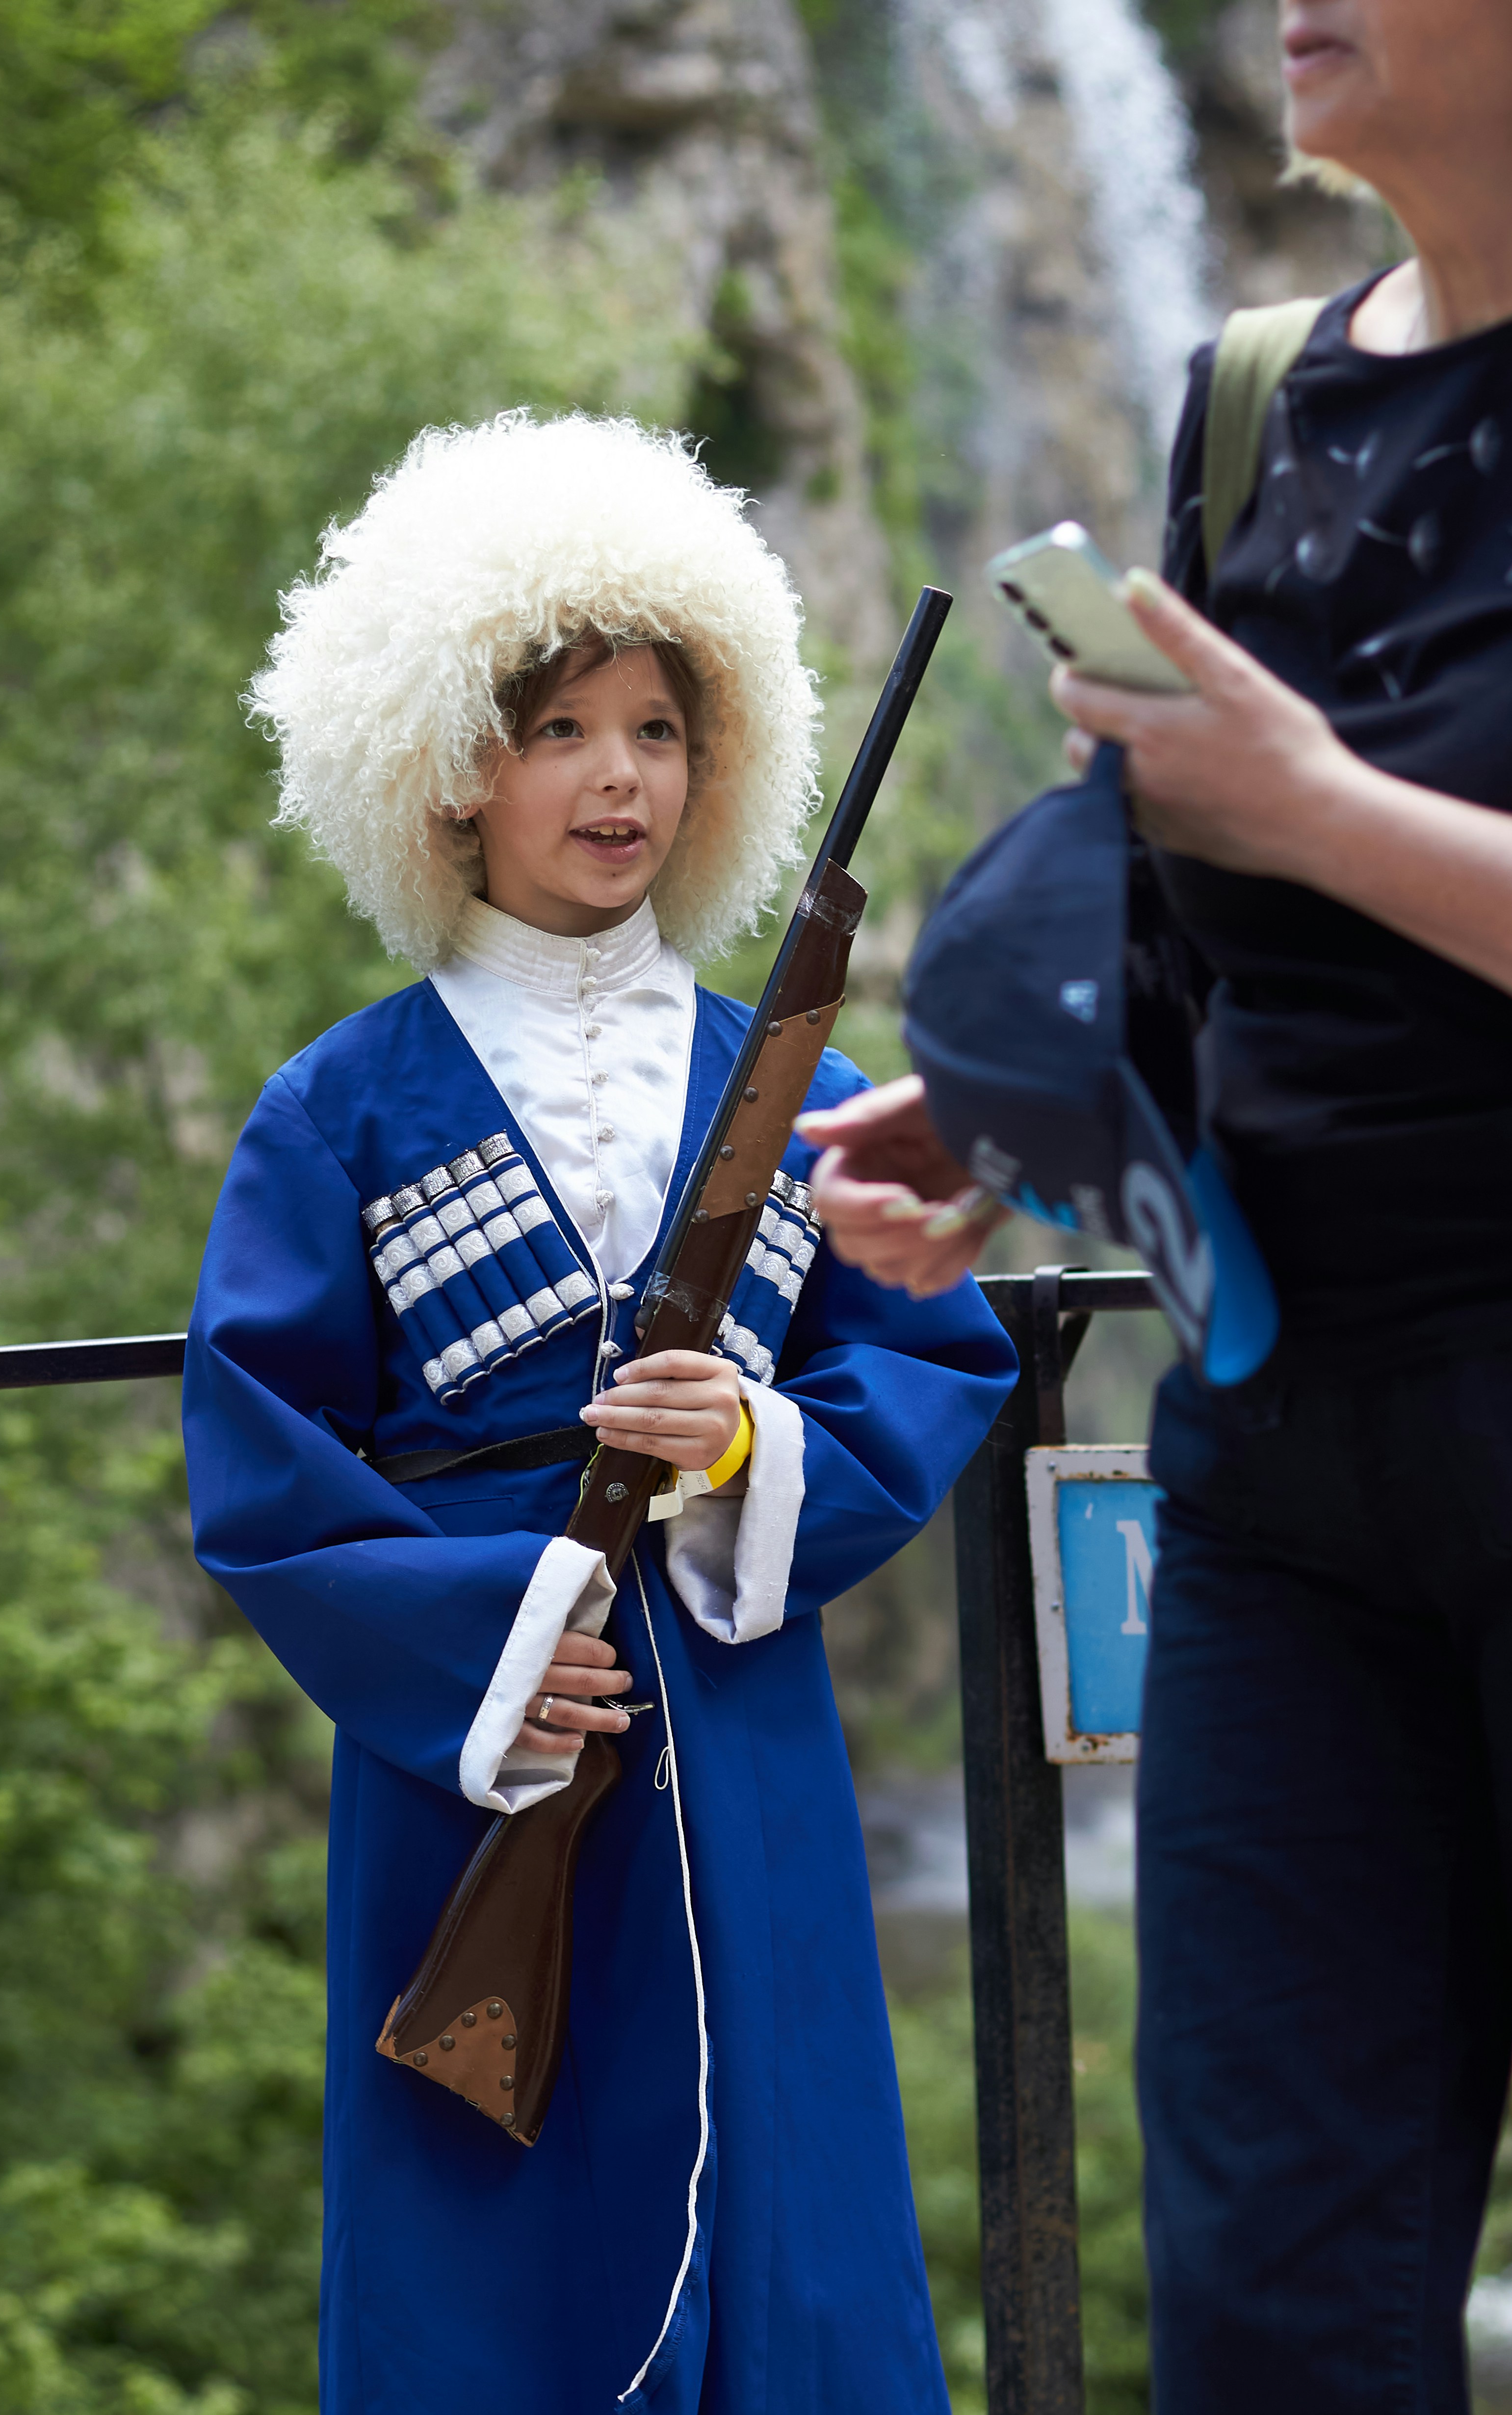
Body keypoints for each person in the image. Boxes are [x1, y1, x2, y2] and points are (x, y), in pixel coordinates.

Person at [801, 3, 1512, 2406]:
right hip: (1270, 1464)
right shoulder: (1244, 398)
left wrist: (1314, 799)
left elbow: (1294, 822)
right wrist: (1004, 1107)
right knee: (1268, 2324)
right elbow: (1217, 914)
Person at [182, 412, 1016, 2415]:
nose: (619, 774)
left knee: (784, 2222)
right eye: (560, 728)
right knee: (494, 2248)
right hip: (482, 1748)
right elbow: (268, 1468)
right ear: (450, 767)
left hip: (735, 1721)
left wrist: (746, 1448)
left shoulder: (792, 1083)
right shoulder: (340, 1105)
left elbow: (931, 1347)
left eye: (656, 727)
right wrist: (497, 1648)